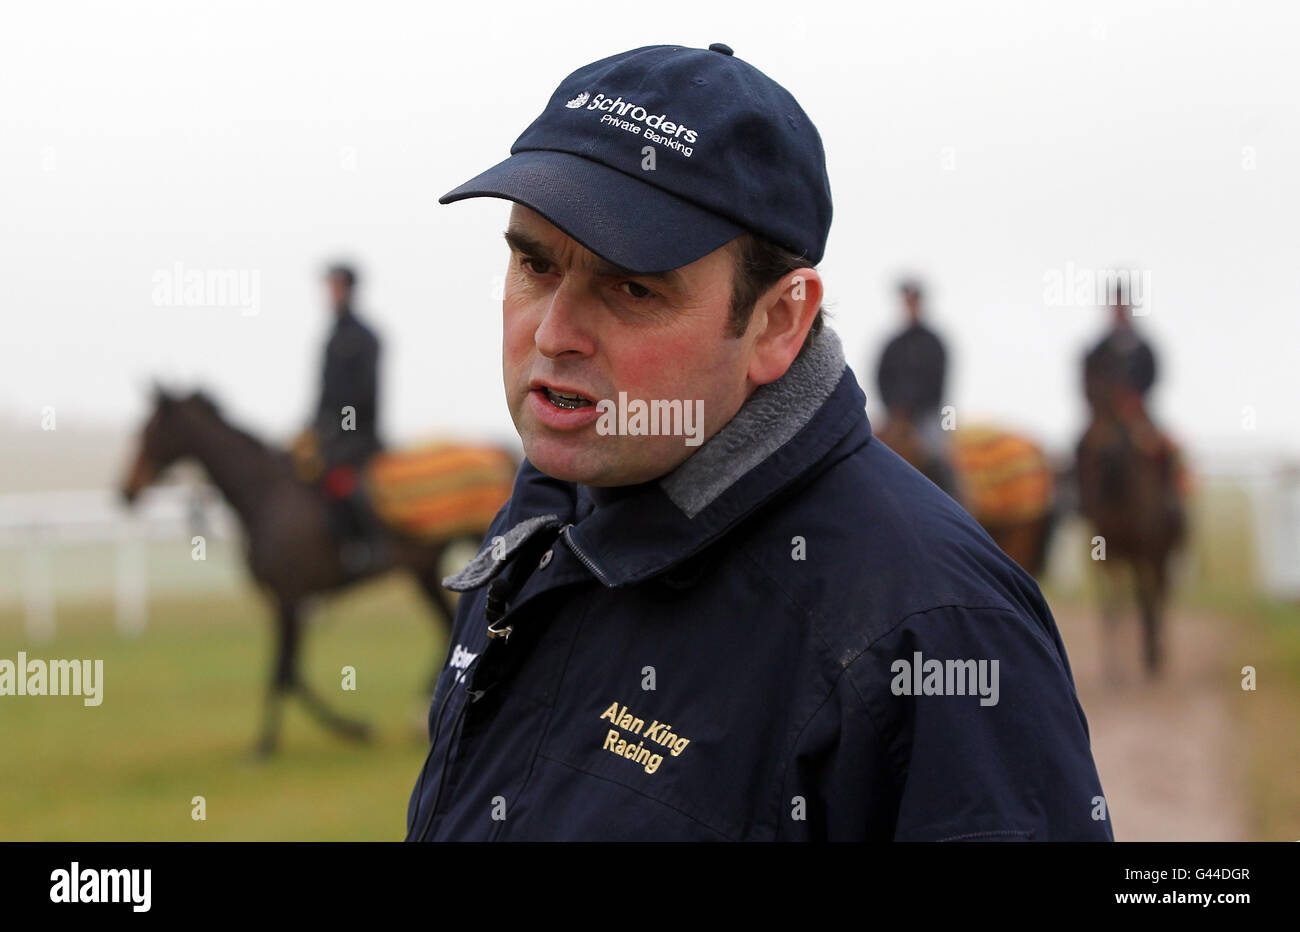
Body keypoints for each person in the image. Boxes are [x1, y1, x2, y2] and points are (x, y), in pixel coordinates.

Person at [406, 43, 1111, 842]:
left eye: (632, 287)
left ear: (778, 322)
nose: (553, 333)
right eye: (535, 264)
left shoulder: (940, 630)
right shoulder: (535, 528)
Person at [308, 262, 385, 575]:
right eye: (329, 286)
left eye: (336, 286)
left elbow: (364, 395)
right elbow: (324, 394)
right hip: (332, 433)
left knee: (340, 480)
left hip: (358, 434)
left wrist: (340, 430)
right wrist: (313, 429)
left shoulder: (364, 336)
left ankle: (362, 546)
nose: (331, 293)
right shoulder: (332, 337)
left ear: (350, 289)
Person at [874, 279, 958, 496]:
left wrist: (913, 407)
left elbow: (937, 381)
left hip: (928, 413)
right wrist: (893, 408)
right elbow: (881, 377)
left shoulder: (933, 342)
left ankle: (956, 501)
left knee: (938, 453)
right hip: (894, 414)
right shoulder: (894, 344)